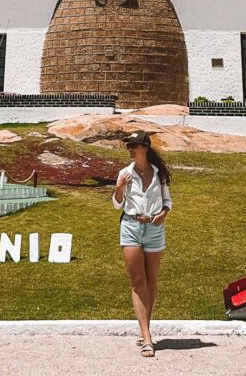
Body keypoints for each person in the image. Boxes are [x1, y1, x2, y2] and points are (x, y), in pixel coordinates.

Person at [112, 130, 173, 358]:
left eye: (134, 146)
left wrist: (163, 214)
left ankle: (143, 327)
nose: (130, 149)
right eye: (129, 146)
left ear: (145, 148)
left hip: (155, 228)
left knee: (151, 279)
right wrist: (119, 187)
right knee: (138, 281)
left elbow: (167, 201)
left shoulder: (159, 174)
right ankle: (147, 337)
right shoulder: (125, 174)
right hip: (130, 226)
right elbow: (117, 204)